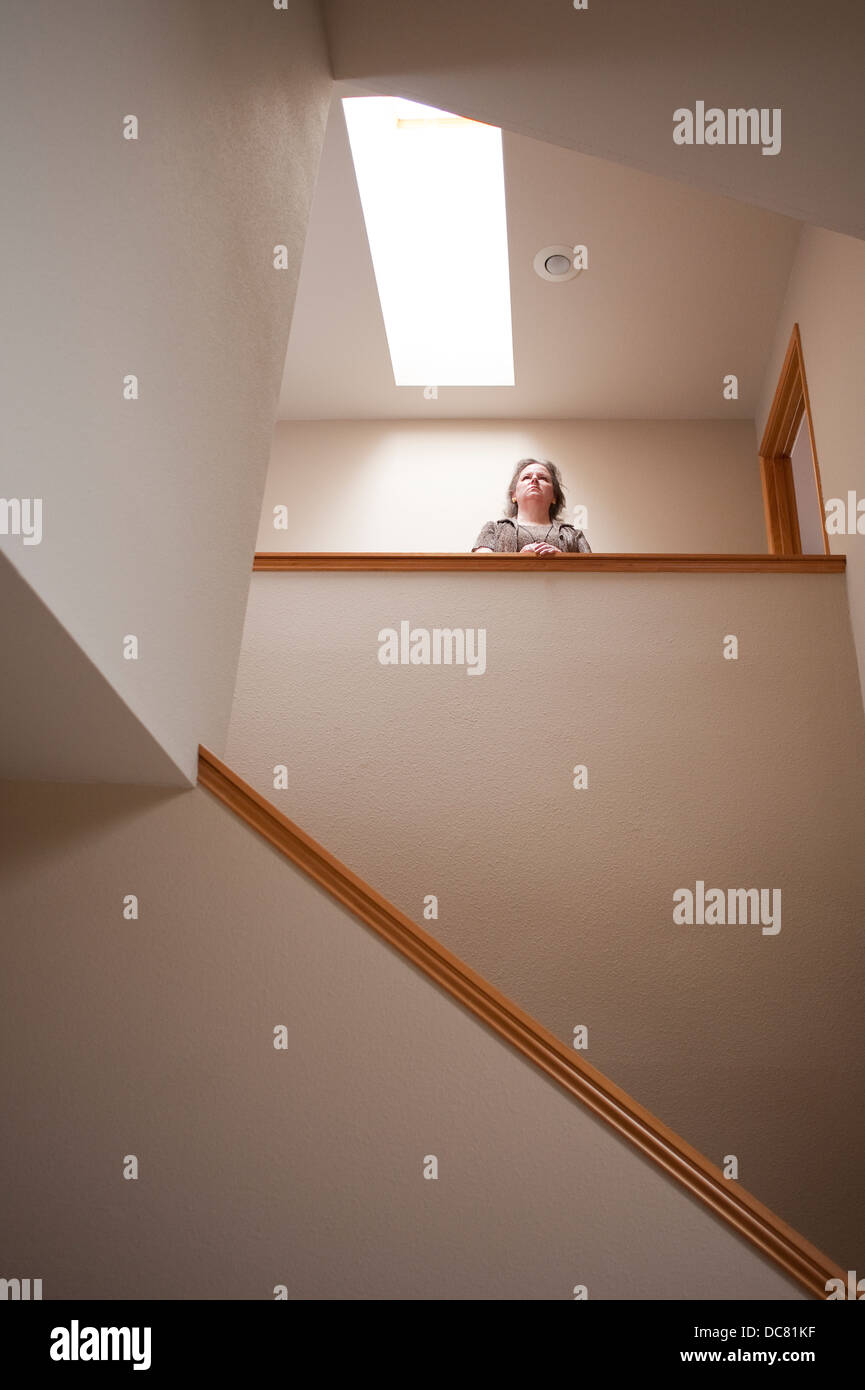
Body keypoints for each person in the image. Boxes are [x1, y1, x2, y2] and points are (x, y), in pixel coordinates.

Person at [471, 458, 591, 554]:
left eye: (543, 478)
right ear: (514, 495)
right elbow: (481, 569)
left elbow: (593, 573)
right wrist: (521, 561)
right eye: (526, 477)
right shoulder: (493, 529)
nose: (534, 479)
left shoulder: (574, 535)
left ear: (554, 496)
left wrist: (562, 561)